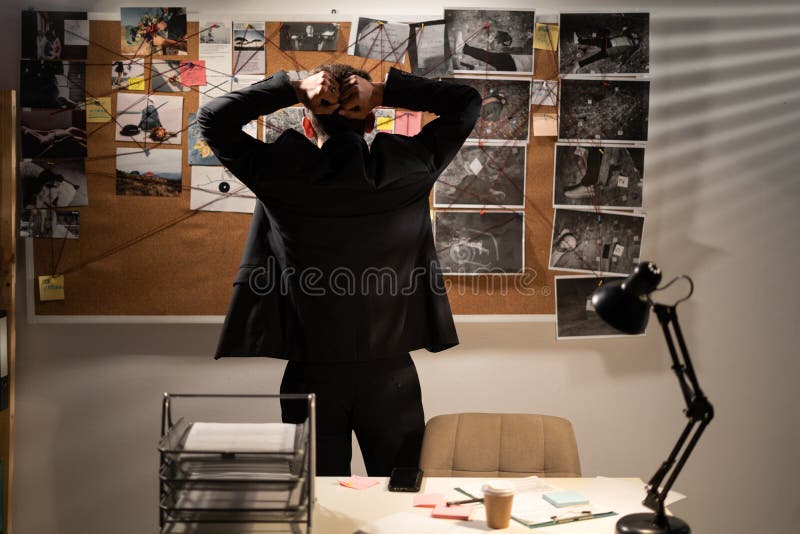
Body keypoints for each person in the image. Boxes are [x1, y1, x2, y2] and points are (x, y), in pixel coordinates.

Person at [198, 65, 480, 476]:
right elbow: (466, 103)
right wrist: (382, 91)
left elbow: (211, 118)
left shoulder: (281, 174)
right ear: (370, 121)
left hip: (309, 379)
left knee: (318, 506)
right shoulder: (412, 169)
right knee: (400, 502)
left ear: (307, 126)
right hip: (390, 377)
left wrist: (293, 88)